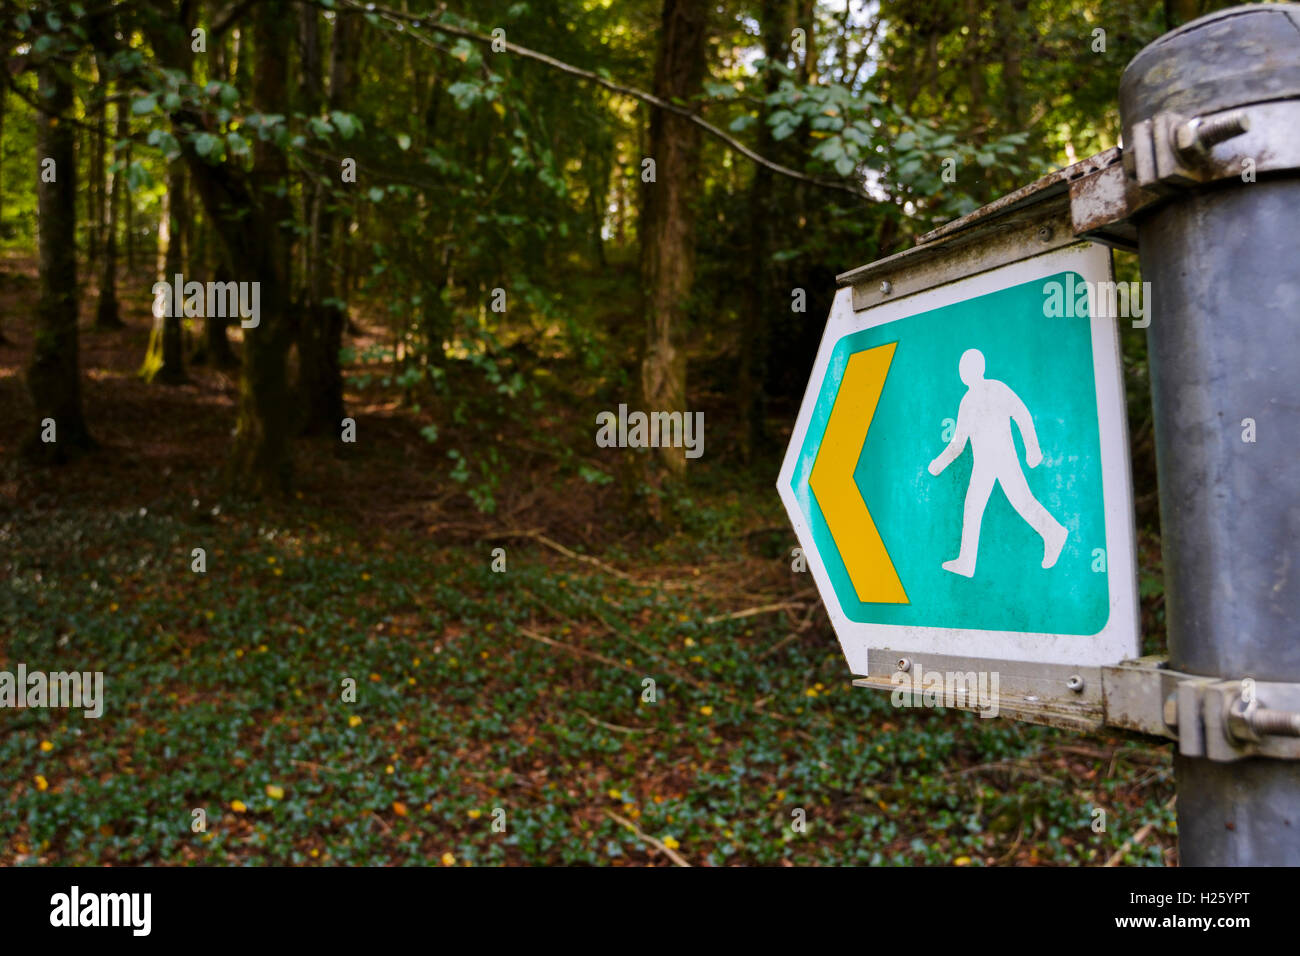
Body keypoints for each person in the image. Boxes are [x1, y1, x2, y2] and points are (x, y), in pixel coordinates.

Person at [927, 348, 1068, 577]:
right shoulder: (978, 396)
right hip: (986, 464)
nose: (963, 372)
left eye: (964, 368)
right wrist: (939, 464)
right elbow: (959, 443)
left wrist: (1033, 449)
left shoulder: (982, 395)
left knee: (1019, 503)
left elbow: (1020, 415)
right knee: (975, 509)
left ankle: (1054, 533)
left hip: (1001, 459)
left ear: (971, 371)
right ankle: (966, 562)